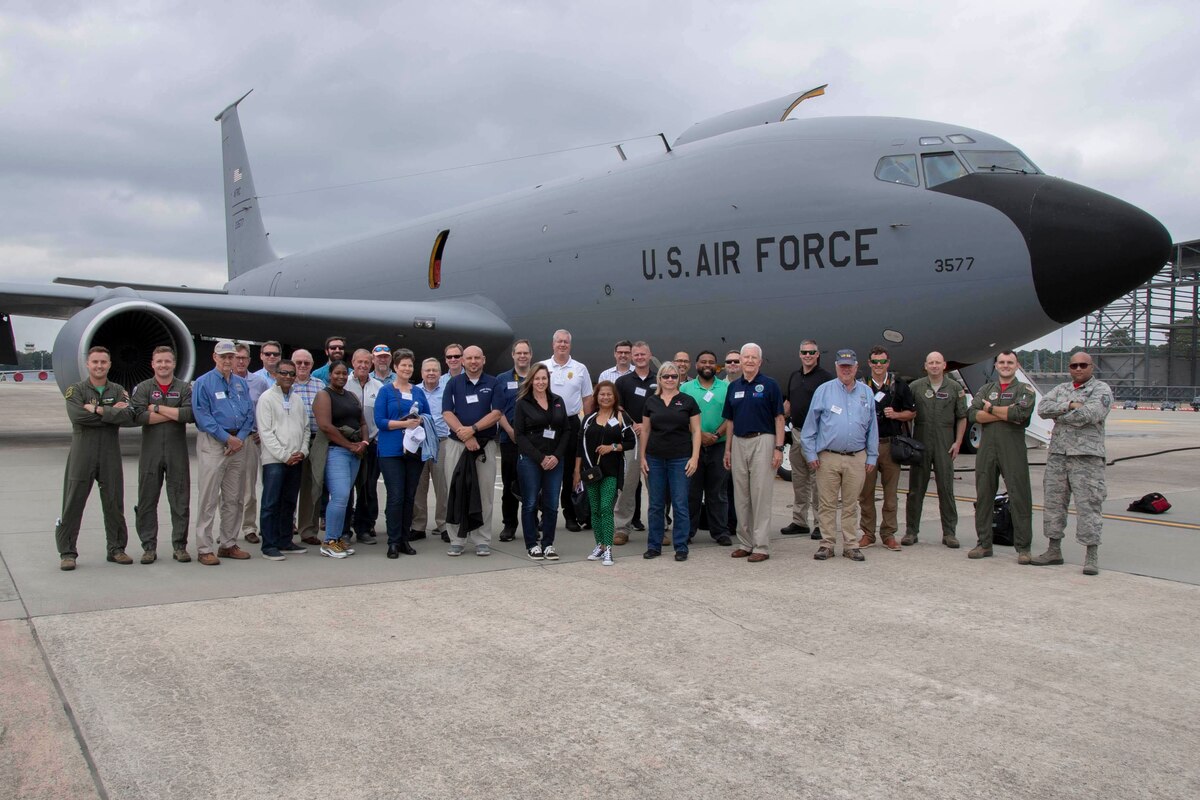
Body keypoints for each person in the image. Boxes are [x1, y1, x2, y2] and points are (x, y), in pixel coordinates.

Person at [1032, 352, 1112, 575]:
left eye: (1082, 365)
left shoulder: (1101, 389)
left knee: (1089, 506)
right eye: (1074, 365)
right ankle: (1053, 550)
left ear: (1091, 367)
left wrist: (1060, 415)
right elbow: (1042, 409)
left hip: (1087, 457)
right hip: (1058, 455)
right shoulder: (1062, 389)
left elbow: (1089, 414)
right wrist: (1069, 405)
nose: (1078, 368)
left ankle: (1091, 555)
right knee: (1054, 503)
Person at [55, 346, 134, 570]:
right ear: (88, 364)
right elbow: (77, 416)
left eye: (103, 362)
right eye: (95, 362)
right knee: (73, 501)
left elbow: (129, 416)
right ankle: (67, 552)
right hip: (83, 451)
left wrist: (97, 410)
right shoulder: (76, 390)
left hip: (110, 452)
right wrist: (111, 413)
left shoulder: (118, 390)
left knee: (114, 501)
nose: (99, 366)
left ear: (109, 365)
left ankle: (117, 549)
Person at [801, 349, 878, 562]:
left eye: (850, 366)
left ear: (856, 367)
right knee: (827, 503)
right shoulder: (824, 391)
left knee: (851, 504)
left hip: (857, 457)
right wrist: (810, 453)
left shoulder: (866, 393)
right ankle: (827, 544)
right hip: (828, 456)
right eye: (842, 366)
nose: (846, 370)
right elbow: (810, 426)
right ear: (836, 367)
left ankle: (851, 545)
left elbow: (873, 428)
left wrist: (872, 456)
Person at [966, 351, 1037, 563]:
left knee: (1019, 496)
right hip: (987, 449)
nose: (1005, 366)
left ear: (1016, 366)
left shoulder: (1024, 390)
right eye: (1002, 362)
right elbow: (973, 414)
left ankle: (1023, 547)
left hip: (1012, 448)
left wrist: (990, 409)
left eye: (1010, 362)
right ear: (996, 366)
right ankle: (984, 544)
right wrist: (1004, 413)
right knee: (984, 495)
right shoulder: (987, 389)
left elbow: (1020, 415)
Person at [191, 339, 255, 565]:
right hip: (214, 442)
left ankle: (228, 542)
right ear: (215, 357)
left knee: (234, 497)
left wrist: (240, 438)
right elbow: (202, 414)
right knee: (208, 497)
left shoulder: (240, 383)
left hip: (238, 442)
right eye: (224, 356)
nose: (228, 360)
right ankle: (204, 546)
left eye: (232, 357)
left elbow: (249, 411)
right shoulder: (203, 382)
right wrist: (226, 438)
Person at [129, 345, 194, 564]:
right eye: (159, 361)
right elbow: (137, 416)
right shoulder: (144, 388)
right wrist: (173, 413)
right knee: (147, 500)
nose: (163, 365)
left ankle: (180, 546)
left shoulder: (184, 388)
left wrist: (156, 408)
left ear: (174, 364)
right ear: (153, 364)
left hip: (177, 452)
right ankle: (148, 547)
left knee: (180, 500)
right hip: (151, 453)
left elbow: (188, 414)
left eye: (167, 361)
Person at [722, 343, 785, 563]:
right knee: (741, 496)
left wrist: (779, 448)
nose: (749, 361)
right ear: (740, 361)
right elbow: (729, 421)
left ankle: (761, 545)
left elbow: (779, 418)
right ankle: (745, 542)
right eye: (745, 357)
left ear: (760, 361)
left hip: (763, 440)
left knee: (760, 494)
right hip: (739, 441)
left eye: (753, 357)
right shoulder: (733, 387)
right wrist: (727, 449)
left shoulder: (770, 385)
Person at [442, 345, 504, 556]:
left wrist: (474, 430)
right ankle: (457, 539)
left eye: (477, 357)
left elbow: (496, 413)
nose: (473, 361)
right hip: (457, 446)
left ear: (484, 359)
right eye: (469, 358)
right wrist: (465, 436)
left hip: (484, 447)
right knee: (456, 491)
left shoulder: (494, 383)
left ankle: (481, 539)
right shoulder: (453, 383)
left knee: (485, 494)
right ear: (462, 361)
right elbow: (447, 413)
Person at [904, 351, 967, 548]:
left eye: (937, 363)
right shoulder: (915, 387)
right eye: (930, 362)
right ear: (925, 366)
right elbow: (908, 413)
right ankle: (911, 531)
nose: (934, 366)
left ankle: (949, 533)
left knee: (946, 489)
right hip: (921, 441)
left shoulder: (955, 388)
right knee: (915, 489)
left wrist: (958, 442)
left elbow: (962, 416)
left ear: (944, 365)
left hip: (945, 442)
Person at [640, 362, 701, 561]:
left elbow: (696, 431)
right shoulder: (651, 402)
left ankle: (681, 546)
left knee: (680, 503)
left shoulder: (688, 401)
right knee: (656, 504)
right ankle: (654, 545)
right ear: (660, 379)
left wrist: (695, 457)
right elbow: (646, 431)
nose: (669, 380)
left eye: (673, 376)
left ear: (678, 379)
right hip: (655, 458)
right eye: (665, 376)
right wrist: (642, 457)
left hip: (680, 459)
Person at [857, 345, 915, 551]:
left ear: (888, 363)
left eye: (882, 362)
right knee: (866, 494)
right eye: (875, 362)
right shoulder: (862, 386)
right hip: (867, 447)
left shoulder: (898, 385)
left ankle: (888, 534)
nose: (878, 365)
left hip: (890, 445)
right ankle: (868, 533)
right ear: (869, 364)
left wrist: (897, 415)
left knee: (890, 495)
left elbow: (911, 413)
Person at [374, 349, 429, 558]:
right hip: (391, 451)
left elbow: (428, 417)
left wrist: (419, 421)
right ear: (395, 367)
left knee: (409, 496)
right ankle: (393, 541)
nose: (407, 369)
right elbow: (380, 421)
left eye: (410, 365)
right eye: (403, 365)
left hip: (414, 451)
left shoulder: (418, 392)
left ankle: (405, 539)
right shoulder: (386, 391)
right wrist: (404, 423)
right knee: (396, 496)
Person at [255, 359, 311, 560]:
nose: (288, 377)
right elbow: (266, 432)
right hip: (275, 460)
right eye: (284, 373)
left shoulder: (297, 400)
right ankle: (269, 545)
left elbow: (305, 428)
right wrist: (284, 455)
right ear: (276, 374)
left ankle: (285, 540)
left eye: (291, 374)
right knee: (271, 503)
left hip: (296, 459)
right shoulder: (267, 398)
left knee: (289, 502)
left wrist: (302, 451)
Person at [312, 361, 369, 558]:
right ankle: (329, 542)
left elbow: (362, 422)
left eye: (345, 373)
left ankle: (337, 539)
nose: (341, 377)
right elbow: (326, 427)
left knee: (345, 498)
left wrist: (364, 442)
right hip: (336, 451)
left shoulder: (351, 396)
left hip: (355, 453)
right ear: (329, 374)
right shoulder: (324, 395)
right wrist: (349, 445)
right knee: (340, 496)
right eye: (337, 373)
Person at [576, 381, 637, 566]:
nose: (605, 397)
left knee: (605, 509)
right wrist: (577, 471)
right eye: (602, 394)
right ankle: (599, 545)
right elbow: (580, 445)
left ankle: (609, 548)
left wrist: (613, 447)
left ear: (614, 396)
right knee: (594, 510)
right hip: (590, 472)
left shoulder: (621, 417)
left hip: (610, 472)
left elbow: (631, 442)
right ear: (597, 396)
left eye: (609, 394)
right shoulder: (588, 419)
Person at [513, 363, 569, 560]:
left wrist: (556, 456)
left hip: (555, 460)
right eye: (537, 378)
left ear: (548, 380)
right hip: (530, 460)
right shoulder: (523, 404)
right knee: (529, 503)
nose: (540, 382)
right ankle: (531, 544)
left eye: (544, 378)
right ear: (531, 380)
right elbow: (519, 435)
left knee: (551, 504)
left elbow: (566, 430)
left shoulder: (558, 401)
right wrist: (540, 458)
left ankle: (548, 544)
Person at [540, 329, 594, 532]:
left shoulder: (580, 368)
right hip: (547, 424)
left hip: (571, 423)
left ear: (570, 345)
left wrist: (587, 423)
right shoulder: (543, 367)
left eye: (566, 342)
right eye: (559, 341)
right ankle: (545, 515)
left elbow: (587, 397)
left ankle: (570, 515)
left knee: (572, 471)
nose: (562, 345)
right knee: (546, 469)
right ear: (553, 344)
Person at [680, 350, 732, 546]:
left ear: (716, 366)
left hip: (718, 445)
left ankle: (720, 532)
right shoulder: (686, 388)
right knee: (691, 491)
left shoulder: (725, 388)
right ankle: (688, 532)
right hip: (693, 448)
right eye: (704, 362)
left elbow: (730, 416)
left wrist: (716, 435)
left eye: (711, 362)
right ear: (697, 365)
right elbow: (681, 415)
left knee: (718, 492)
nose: (707, 365)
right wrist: (699, 435)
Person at [782, 340, 832, 539]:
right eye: (804, 352)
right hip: (796, 433)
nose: (808, 355)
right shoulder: (794, 376)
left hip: (817, 435)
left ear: (818, 354)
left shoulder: (826, 378)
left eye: (812, 352)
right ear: (799, 354)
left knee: (818, 481)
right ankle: (799, 521)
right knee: (799, 480)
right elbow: (788, 403)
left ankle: (821, 523)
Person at [613, 341, 655, 545]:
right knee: (628, 485)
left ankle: (659, 527)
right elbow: (618, 409)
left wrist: (647, 425)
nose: (639, 358)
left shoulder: (660, 379)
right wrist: (634, 425)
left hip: (655, 439)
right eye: (636, 355)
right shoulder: (623, 382)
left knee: (656, 485)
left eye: (642, 354)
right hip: (632, 440)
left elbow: (666, 406)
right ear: (632, 357)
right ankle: (622, 528)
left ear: (650, 355)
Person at [235, 343, 273, 545]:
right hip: (226, 439)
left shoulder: (258, 382)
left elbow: (268, 408)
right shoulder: (217, 381)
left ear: (249, 360)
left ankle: (249, 527)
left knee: (249, 487)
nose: (240, 361)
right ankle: (228, 527)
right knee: (228, 488)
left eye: (244, 358)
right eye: (236, 357)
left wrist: (262, 431)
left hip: (251, 439)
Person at [495, 339, 533, 542]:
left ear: (530, 355)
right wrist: (509, 430)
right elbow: (497, 409)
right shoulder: (502, 379)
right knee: (509, 484)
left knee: (533, 484)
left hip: (534, 441)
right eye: (519, 353)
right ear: (513, 355)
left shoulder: (538, 377)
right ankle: (509, 525)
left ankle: (532, 524)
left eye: (525, 353)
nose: (522, 356)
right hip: (509, 439)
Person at [346, 349, 384, 544]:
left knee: (368, 487)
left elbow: (381, 416)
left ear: (372, 364)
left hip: (371, 444)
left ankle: (364, 527)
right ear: (353, 362)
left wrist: (370, 439)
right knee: (346, 487)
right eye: (359, 361)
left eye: (366, 362)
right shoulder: (343, 383)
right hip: (348, 444)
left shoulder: (379, 386)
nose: (362, 365)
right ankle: (345, 529)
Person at [290, 349, 325, 546]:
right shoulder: (286, 384)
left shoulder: (320, 385)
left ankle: (308, 529)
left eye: (306, 363)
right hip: (291, 442)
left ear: (312, 365)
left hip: (315, 440)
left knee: (312, 488)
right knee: (288, 487)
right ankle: (286, 526)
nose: (302, 366)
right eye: (298, 362)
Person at [412, 357, 449, 542]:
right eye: (428, 370)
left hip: (441, 442)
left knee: (443, 486)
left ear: (440, 373)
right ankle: (418, 526)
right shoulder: (414, 391)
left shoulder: (447, 390)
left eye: (435, 370)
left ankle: (444, 525)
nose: (431, 373)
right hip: (419, 444)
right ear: (422, 373)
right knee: (419, 486)